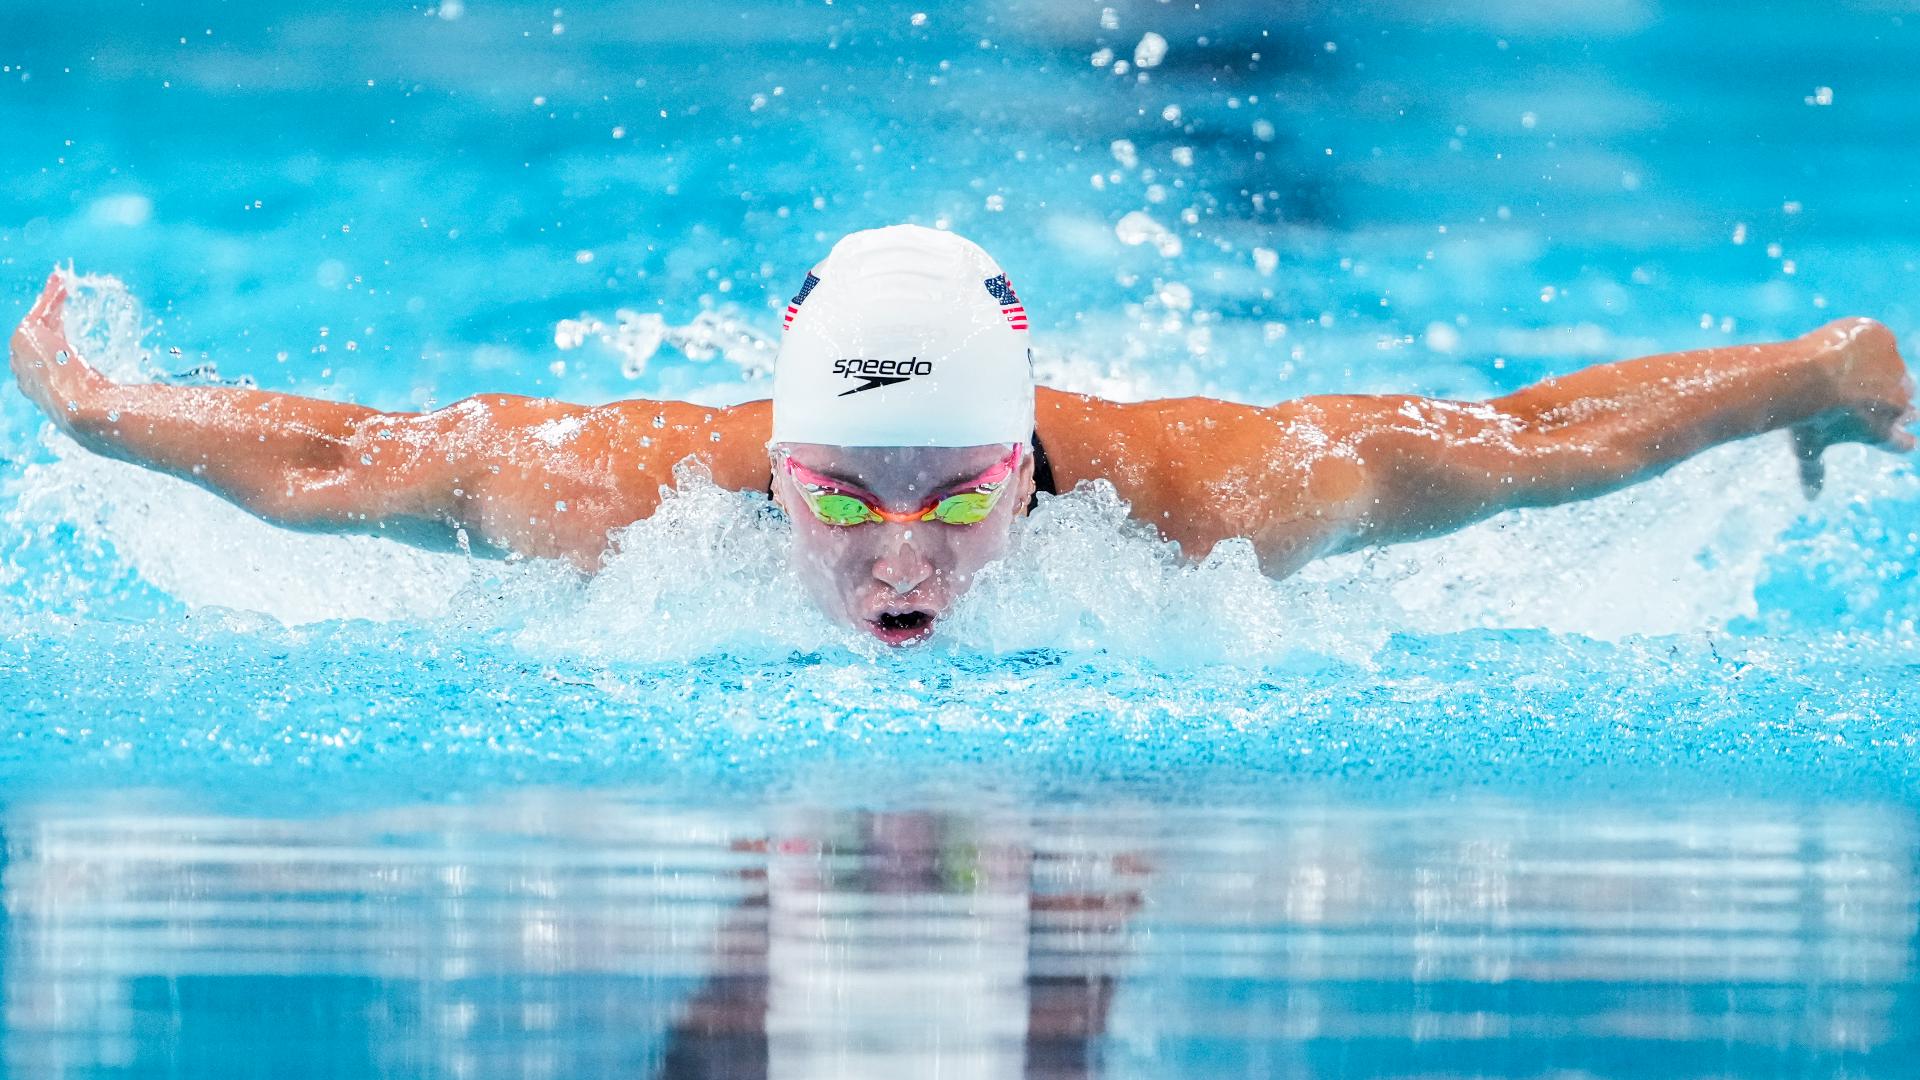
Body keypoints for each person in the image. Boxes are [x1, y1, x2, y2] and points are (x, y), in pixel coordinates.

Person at [9, 225, 1915, 645]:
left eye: (957, 495)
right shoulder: (623, 494)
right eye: (839, 491)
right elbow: (349, 459)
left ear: (1032, 465)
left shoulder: (1200, 495)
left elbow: (1525, 438)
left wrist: (1817, 373)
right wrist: (98, 415)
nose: (898, 552)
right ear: (769, 461)